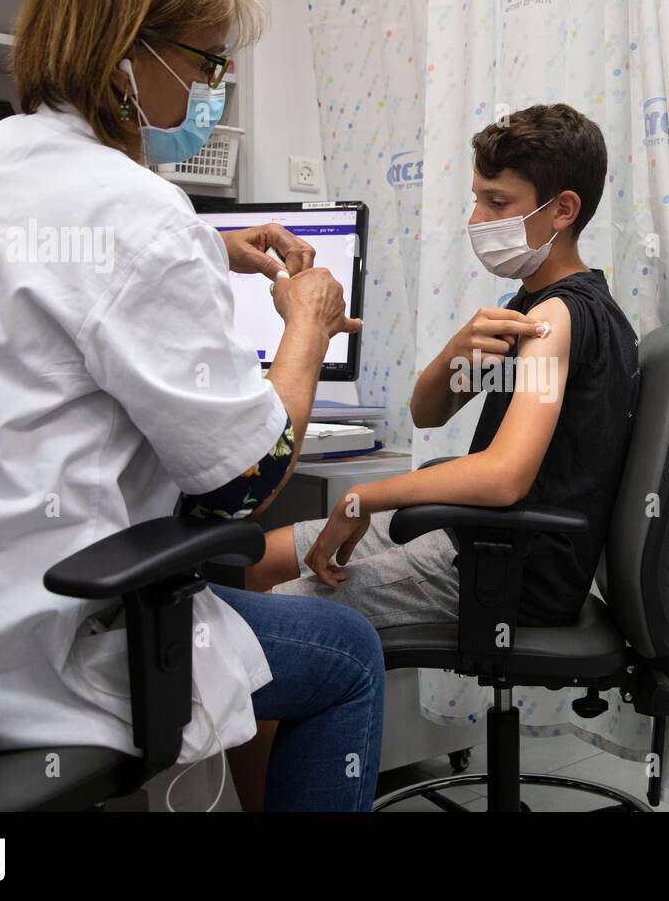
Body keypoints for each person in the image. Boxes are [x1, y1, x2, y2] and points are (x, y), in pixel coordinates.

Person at [0, 0, 383, 811]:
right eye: (207, 60)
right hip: (54, 644)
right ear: (127, 54)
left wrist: (203, 247)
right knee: (347, 656)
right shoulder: (136, 207)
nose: (214, 84)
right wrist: (306, 325)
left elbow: (47, 283)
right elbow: (244, 482)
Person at [240, 104, 638, 633]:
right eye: (477, 199)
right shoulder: (526, 308)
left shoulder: (556, 319)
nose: (476, 221)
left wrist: (363, 498)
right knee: (258, 561)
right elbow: (427, 413)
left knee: (267, 624)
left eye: (497, 203)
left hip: (509, 568)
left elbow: (503, 478)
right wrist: (455, 351)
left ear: (563, 209)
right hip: (475, 534)